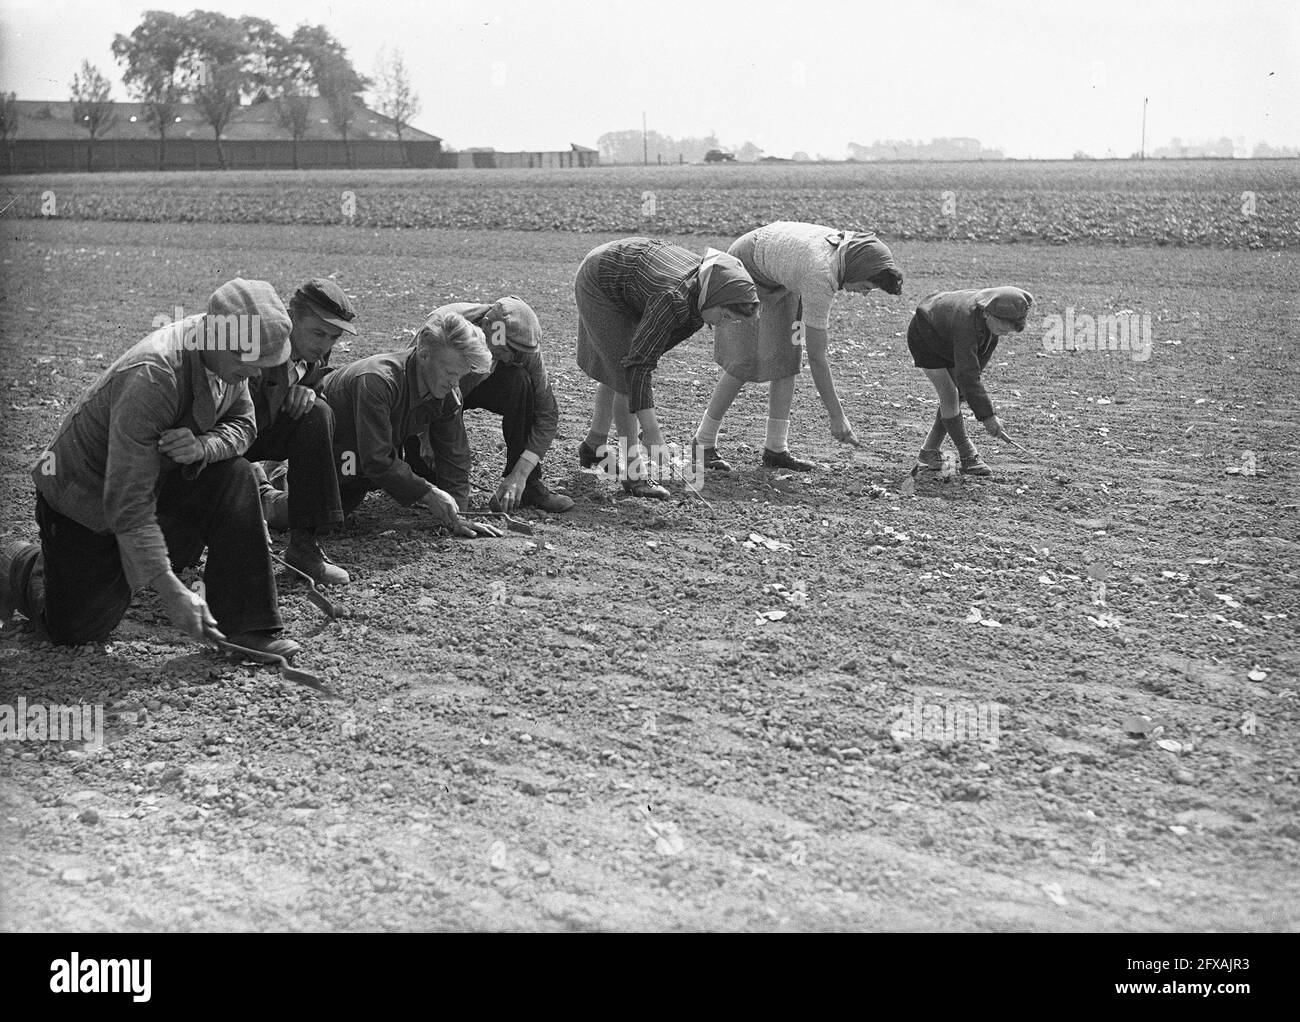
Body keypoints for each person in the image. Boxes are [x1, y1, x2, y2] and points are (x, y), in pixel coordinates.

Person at [0, 279, 304, 660]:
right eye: (250, 364)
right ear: (215, 337)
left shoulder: (231, 354)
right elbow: (127, 500)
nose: (257, 375)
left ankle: (248, 627)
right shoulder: (154, 374)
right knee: (77, 630)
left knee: (235, 474)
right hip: (89, 498)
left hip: (158, 481)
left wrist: (203, 446)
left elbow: (244, 424)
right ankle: (22, 564)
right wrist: (170, 589)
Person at [694, 221, 903, 472]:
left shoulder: (848, 254)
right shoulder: (820, 275)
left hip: (782, 276)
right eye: (866, 287)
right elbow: (818, 356)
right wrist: (837, 416)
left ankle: (776, 449)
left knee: (787, 359)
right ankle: (703, 443)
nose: (865, 293)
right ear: (857, 270)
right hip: (747, 263)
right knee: (743, 361)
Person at [575, 237, 758, 500]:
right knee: (624, 376)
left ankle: (594, 445)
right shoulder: (673, 299)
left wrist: (646, 418)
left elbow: (641, 358)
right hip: (601, 278)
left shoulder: (702, 297)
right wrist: (652, 432)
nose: (723, 324)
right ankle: (634, 473)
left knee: (620, 363)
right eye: (726, 315)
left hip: (631, 278)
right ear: (714, 298)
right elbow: (637, 366)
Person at [319, 309, 502, 537]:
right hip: (322, 452)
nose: (455, 382)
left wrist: (457, 515)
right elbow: (376, 460)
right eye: (449, 372)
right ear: (424, 354)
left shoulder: (448, 393)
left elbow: (453, 456)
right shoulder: (378, 382)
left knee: (350, 494)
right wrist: (428, 493)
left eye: (461, 375)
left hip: (357, 464)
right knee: (313, 518)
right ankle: (270, 492)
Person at [402, 296, 572, 513]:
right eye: (505, 348)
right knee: (430, 475)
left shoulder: (521, 346)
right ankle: (421, 478)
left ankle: (527, 486)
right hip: (438, 394)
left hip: (477, 386)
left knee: (520, 381)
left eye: (516, 352)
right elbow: (411, 384)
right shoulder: (442, 327)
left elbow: (547, 413)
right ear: (485, 328)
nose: (510, 357)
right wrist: (424, 438)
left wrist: (520, 473)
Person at [247, 278, 357, 586]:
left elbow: (311, 381)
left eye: (333, 338)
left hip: (258, 433)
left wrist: (310, 393)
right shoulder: (258, 345)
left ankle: (305, 547)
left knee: (317, 414)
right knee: (180, 558)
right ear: (290, 318)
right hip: (216, 443)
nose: (325, 344)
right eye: (318, 332)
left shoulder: (315, 352)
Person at [906, 286, 1034, 476]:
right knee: (949, 394)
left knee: (957, 395)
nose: (1003, 334)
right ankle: (968, 455)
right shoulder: (966, 323)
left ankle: (928, 453)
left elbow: (973, 372)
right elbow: (967, 375)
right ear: (988, 315)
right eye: (1001, 329)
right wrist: (987, 416)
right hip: (926, 335)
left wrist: (968, 394)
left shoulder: (991, 329)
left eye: (1007, 332)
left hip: (949, 339)